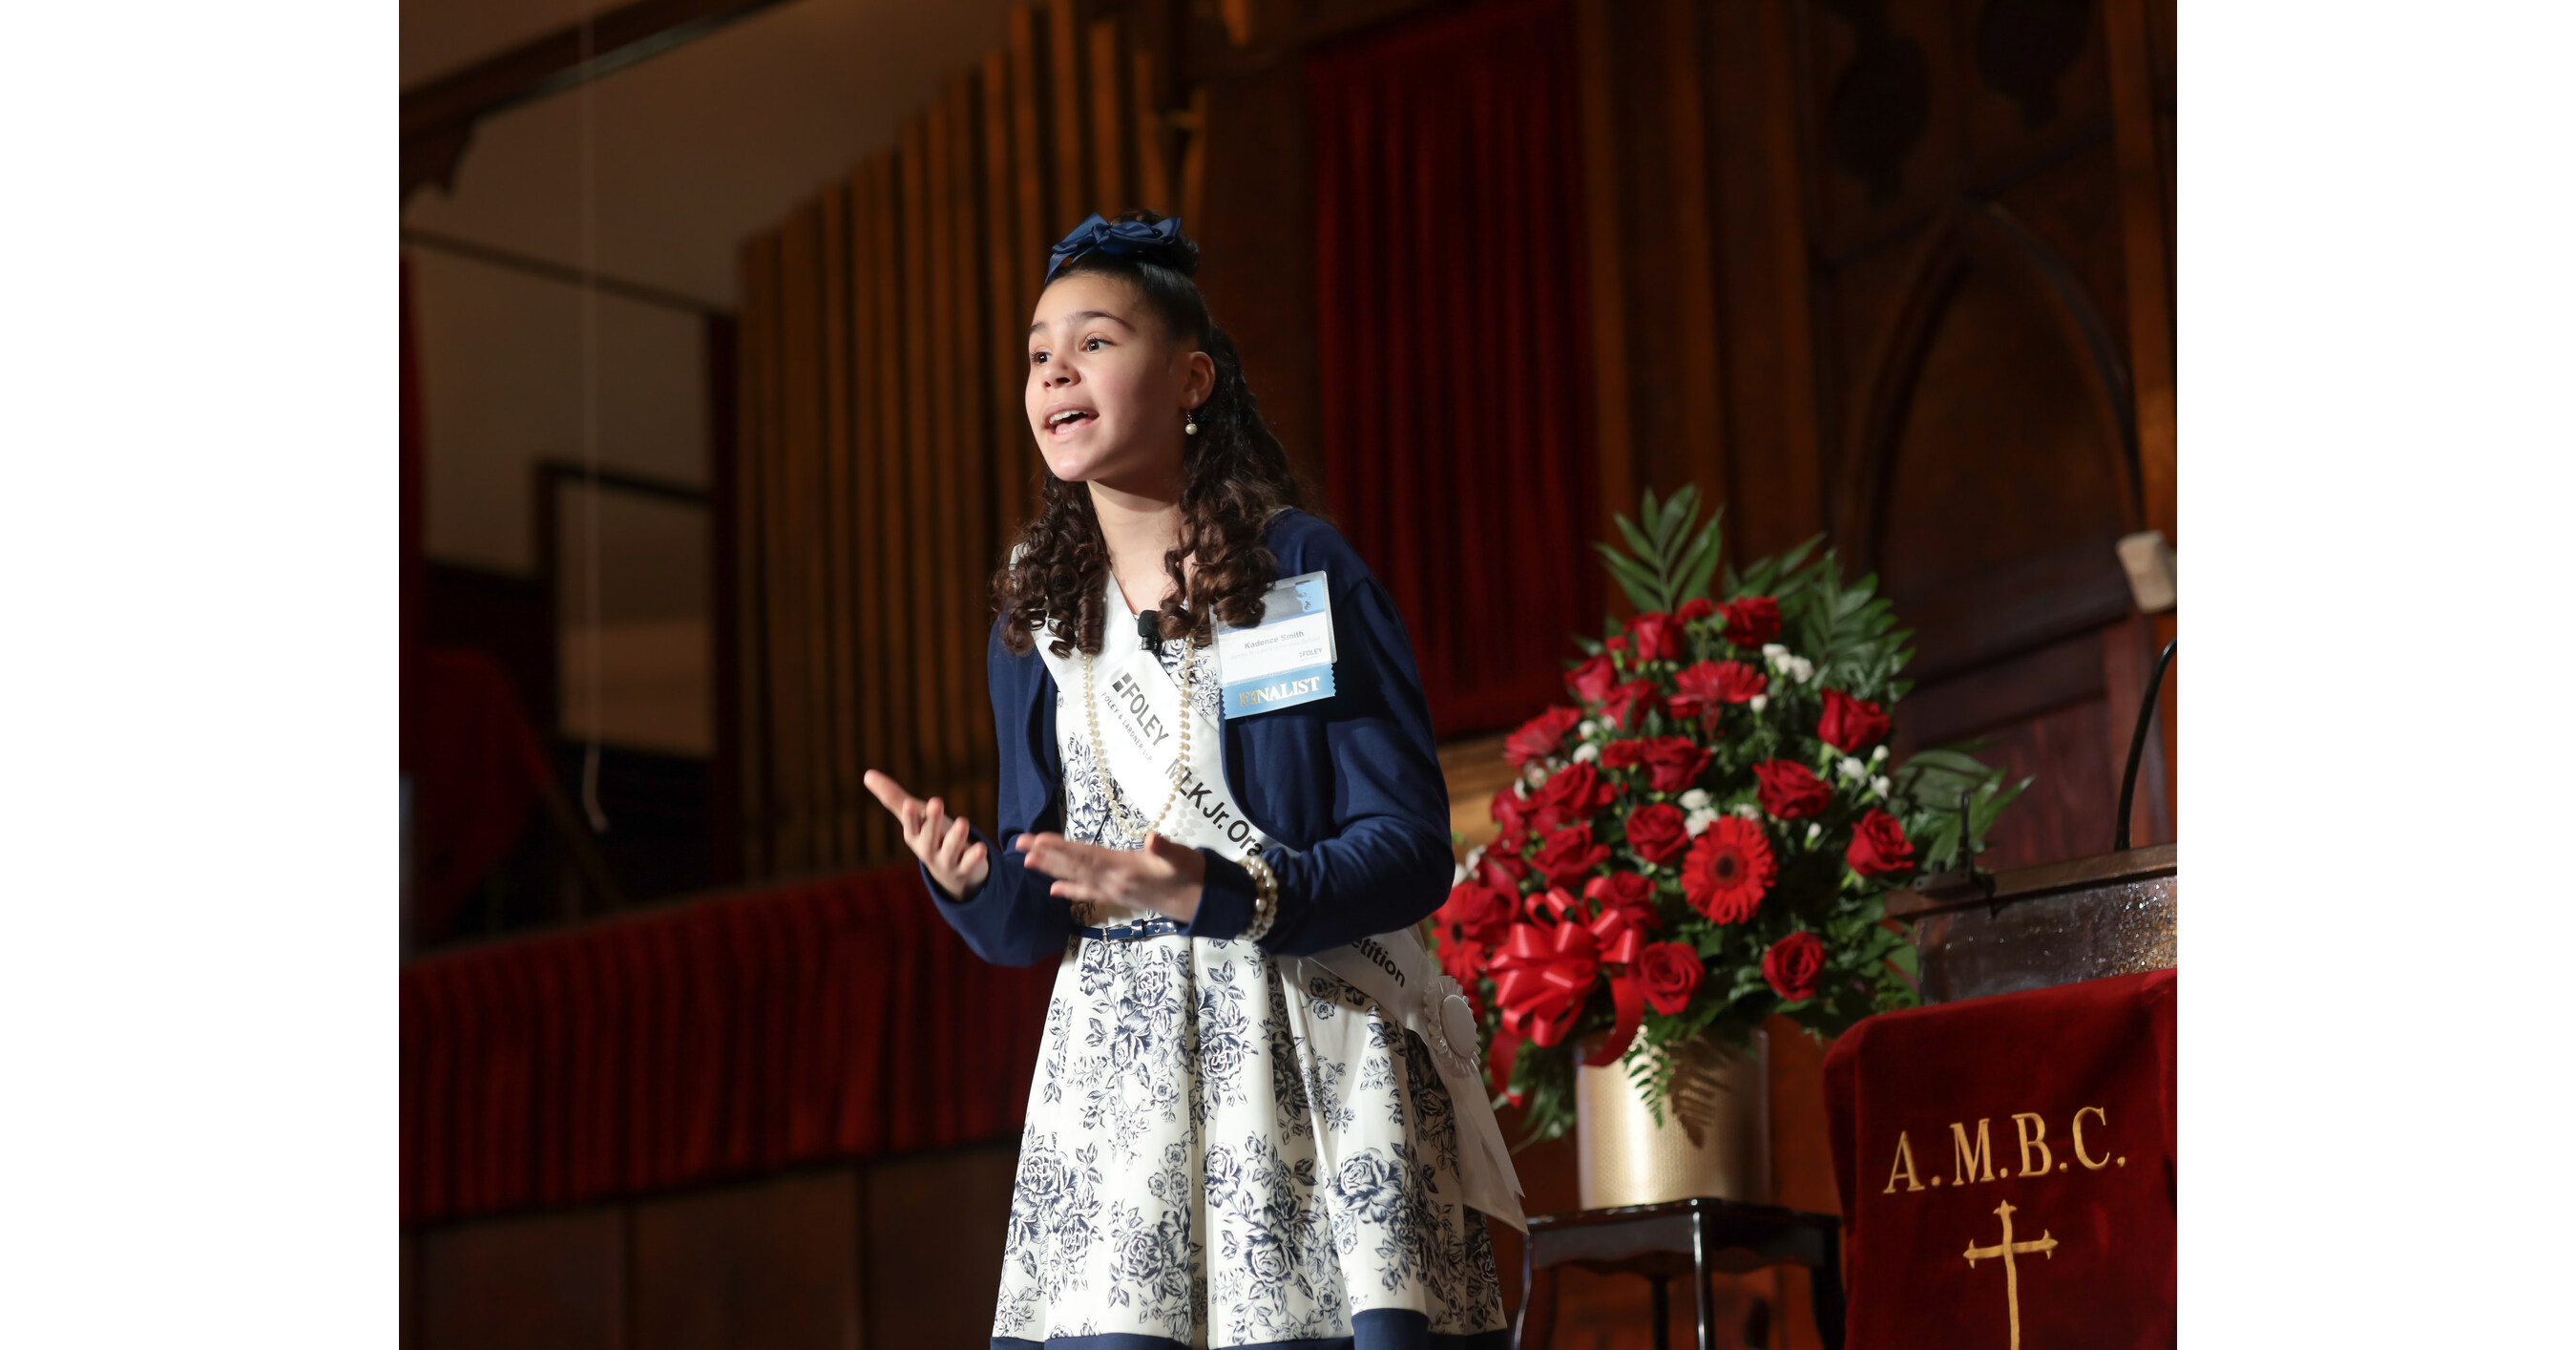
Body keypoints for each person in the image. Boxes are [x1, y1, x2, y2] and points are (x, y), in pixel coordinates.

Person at [863, 209, 1516, 1350]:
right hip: (1121, 1094)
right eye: (1036, 353)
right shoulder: (1034, 620)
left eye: (1096, 341)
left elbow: (1409, 846)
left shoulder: (1297, 569)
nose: (1055, 369)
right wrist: (971, 885)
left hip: (1310, 1053)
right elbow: (1043, 912)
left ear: (1189, 378)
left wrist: (1229, 891)